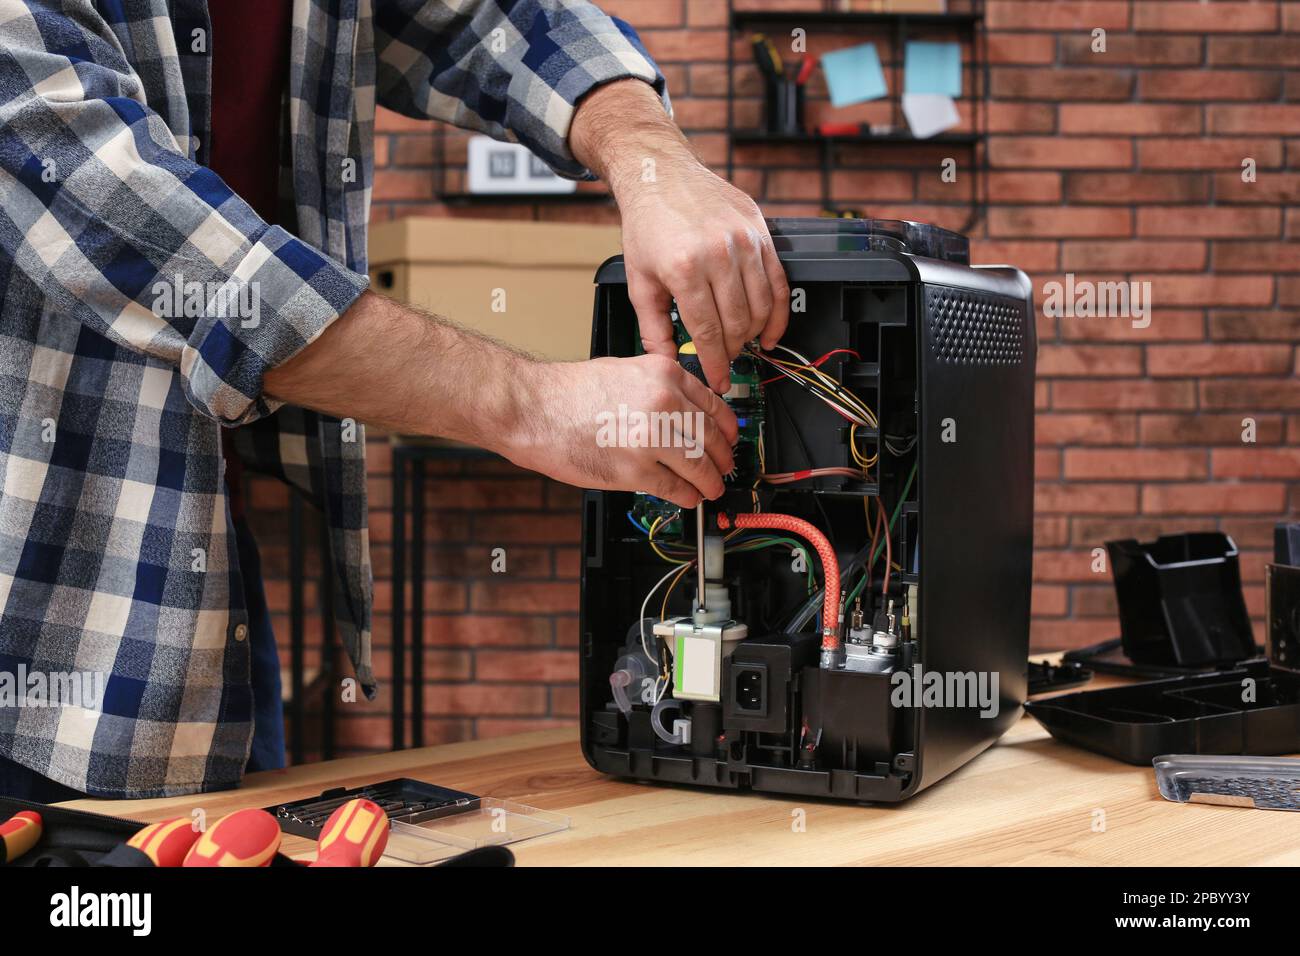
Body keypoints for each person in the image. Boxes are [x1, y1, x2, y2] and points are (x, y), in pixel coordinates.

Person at [0, 0, 789, 799]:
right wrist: (532, 403)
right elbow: (138, 228)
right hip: (38, 596)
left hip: (200, 563)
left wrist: (653, 158)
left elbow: (494, 18)